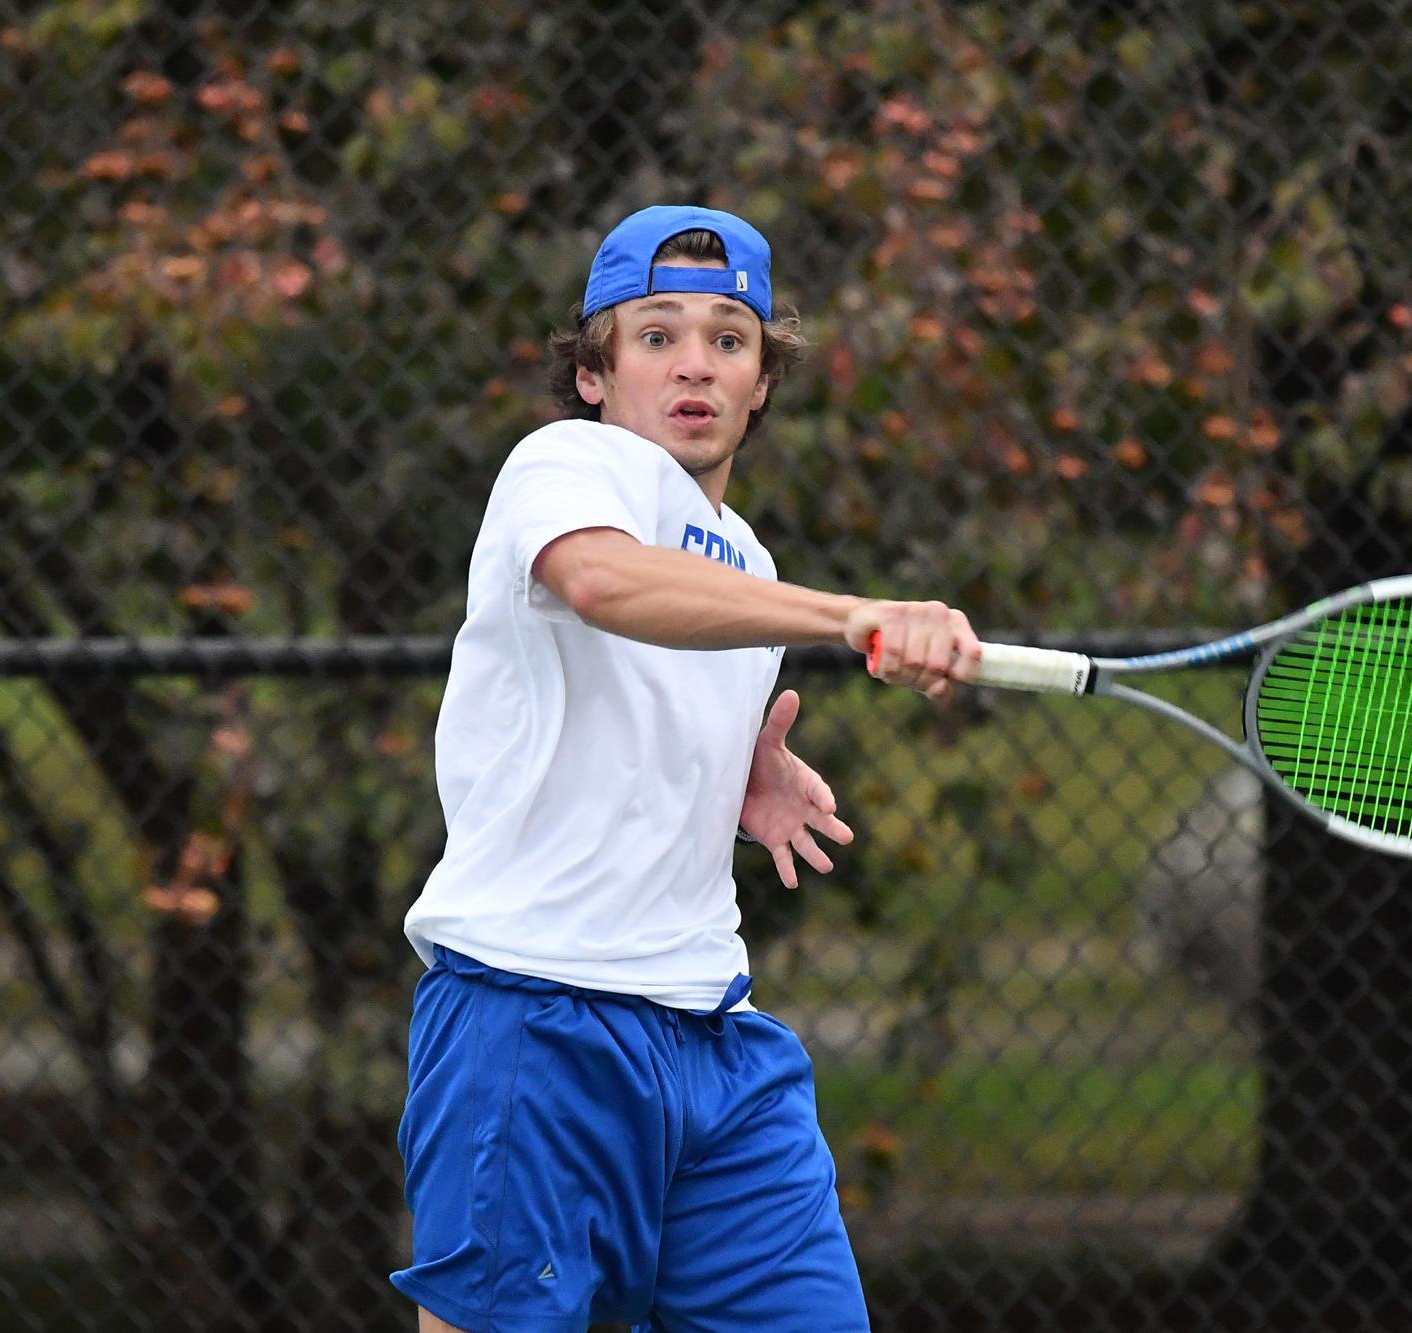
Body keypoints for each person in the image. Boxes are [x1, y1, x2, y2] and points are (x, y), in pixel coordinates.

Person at [391, 204, 981, 1333]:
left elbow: (642, 696)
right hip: (536, 1013)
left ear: (762, 382)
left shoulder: (745, 560)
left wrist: (730, 777)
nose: (693, 362)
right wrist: (856, 612)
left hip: (715, 1040)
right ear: (592, 375)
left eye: (728, 337)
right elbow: (609, 585)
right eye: (654, 334)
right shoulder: (562, 463)